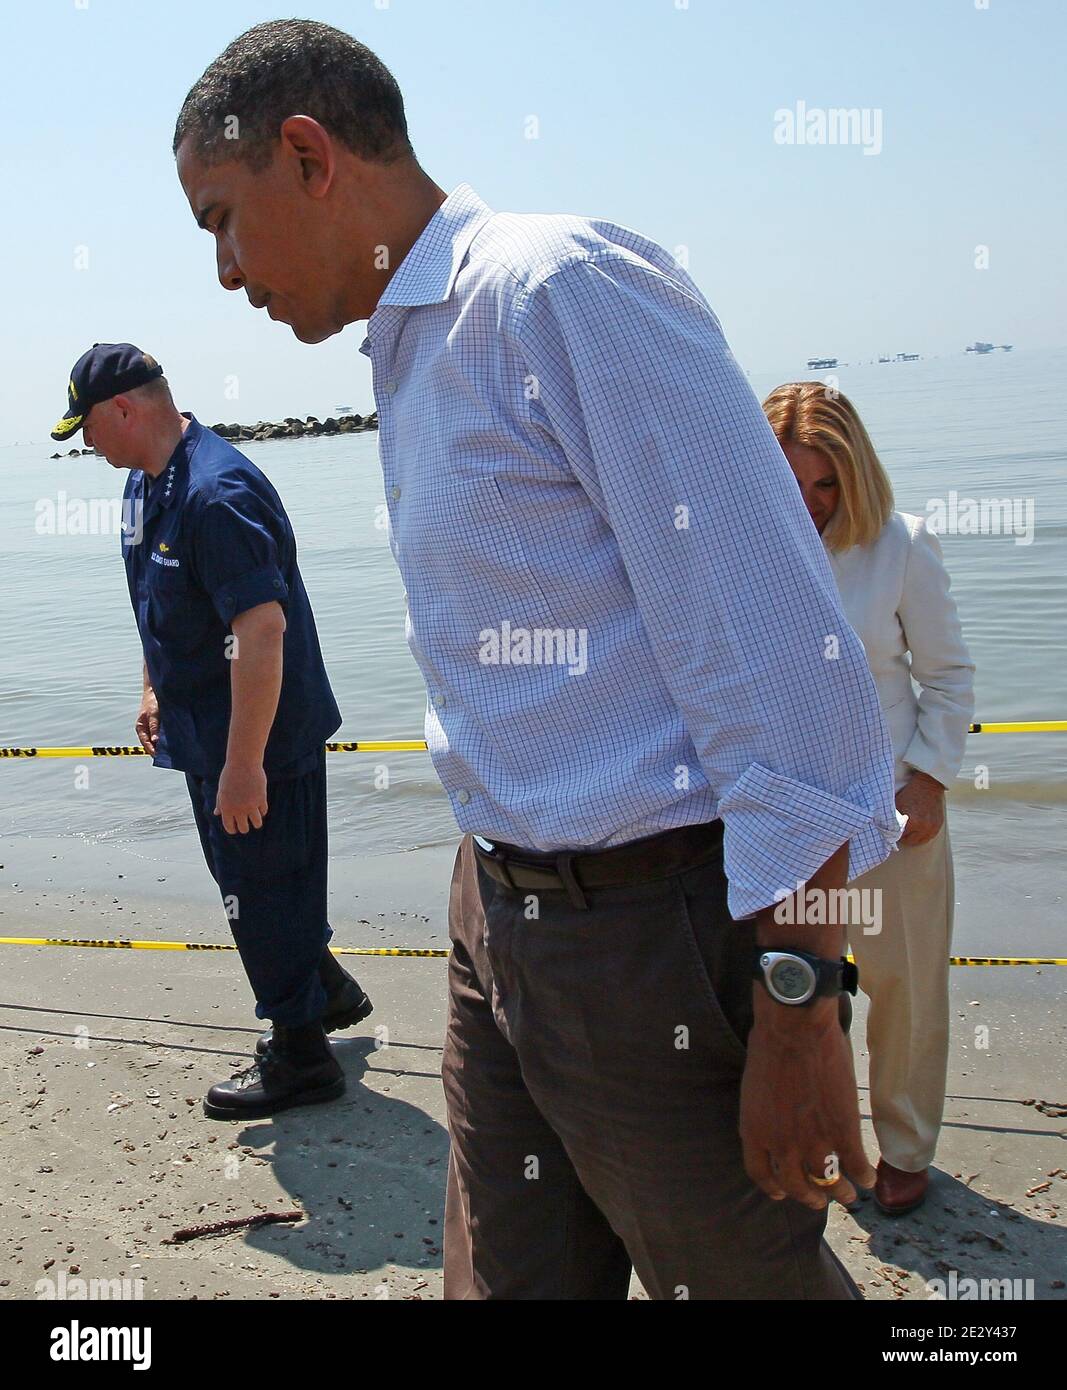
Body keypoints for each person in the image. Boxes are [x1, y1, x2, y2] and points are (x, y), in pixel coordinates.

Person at [172, 19, 905, 1298]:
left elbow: (791, 669)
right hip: (496, 920)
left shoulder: (554, 290)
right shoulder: (409, 348)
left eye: (221, 219)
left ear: (308, 154)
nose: (227, 270)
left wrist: (803, 1001)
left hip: (649, 931)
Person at [49, 342, 372, 1120]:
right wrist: (152, 685)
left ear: (125, 409)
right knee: (259, 882)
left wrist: (243, 766)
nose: (85, 445)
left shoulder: (214, 493)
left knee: (260, 887)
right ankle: (322, 989)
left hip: (257, 737)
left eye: (86, 428)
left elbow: (261, 632)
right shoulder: (143, 485)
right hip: (204, 725)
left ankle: (301, 1059)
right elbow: (160, 603)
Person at [763, 381, 975, 1215]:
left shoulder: (901, 546)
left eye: (826, 483)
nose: (810, 502)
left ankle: (905, 1144)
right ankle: (816, 1136)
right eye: (791, 480)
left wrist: (928, 782)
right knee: (792, 986)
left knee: (903, 989)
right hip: (782, 817)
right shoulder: (741, 550)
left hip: (889, 812)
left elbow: (948, 677)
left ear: (855, 476)